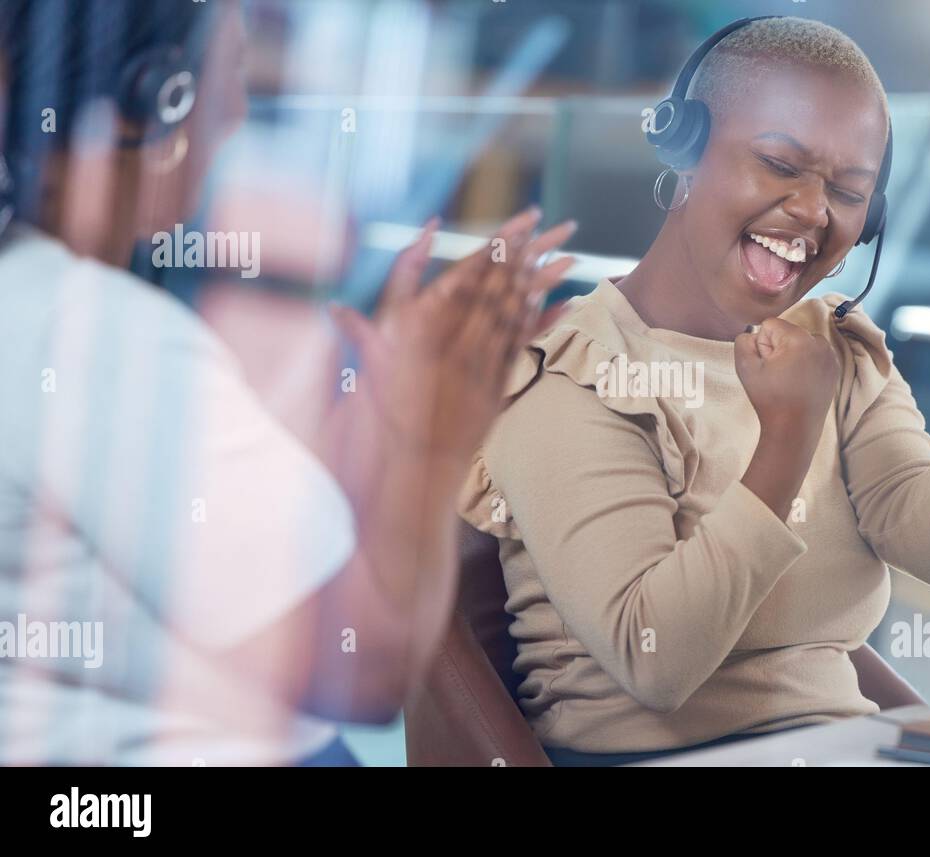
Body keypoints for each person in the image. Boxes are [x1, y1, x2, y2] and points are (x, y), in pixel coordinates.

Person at [458, 16, 930, 765]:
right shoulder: (576, 375)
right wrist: (786, 437)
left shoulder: (834, 346)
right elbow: (652, 659)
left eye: (849, 190)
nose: (812, 211)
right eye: (779, 164)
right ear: (686, 150)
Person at [0, 0, 575, 764]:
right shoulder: (103, 337)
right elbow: (362, 669)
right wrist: (442, 433)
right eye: (229, 73)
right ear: (158, 99)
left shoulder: (43, 301)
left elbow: (283, 548)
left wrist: (388, 410)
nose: (235, 114)